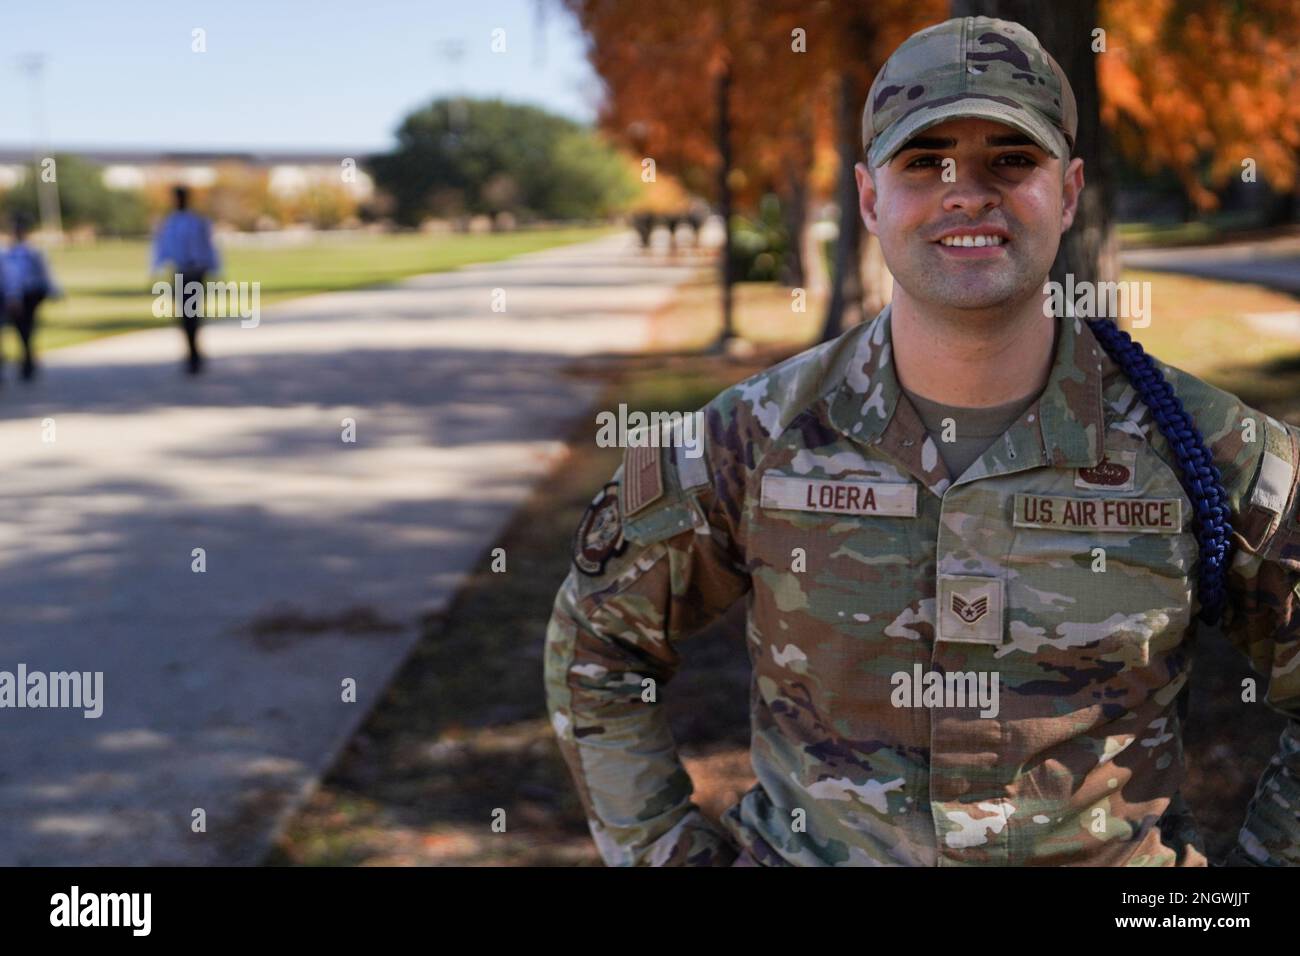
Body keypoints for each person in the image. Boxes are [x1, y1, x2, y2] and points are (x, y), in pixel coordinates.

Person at [543, 16, 1300, 867]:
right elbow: (600, 642)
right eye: (924, 161)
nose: (967, 192)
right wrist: (660, 851)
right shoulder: (750, 438)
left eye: (1012, 160)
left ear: (1071, 191)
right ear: (869, 197)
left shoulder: (1205, 448)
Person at [151, 185, 220, 374]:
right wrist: (155, 271)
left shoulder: (197, 221)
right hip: (181, 272)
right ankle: (192, 353)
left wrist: (215, 270)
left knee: (193, 313)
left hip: (197, 272)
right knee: (185, 315)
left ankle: (194, 353)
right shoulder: (169, 223)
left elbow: (210, 247)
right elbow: (161, 248)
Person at [2, 213, 59, 383]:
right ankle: (26, 360)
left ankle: (28, 361)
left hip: (31, 294)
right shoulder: (8, 253)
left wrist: (53, 291)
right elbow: (9, 278)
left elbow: (44, 273)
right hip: (13, 295)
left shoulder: (32, 252)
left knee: (27, 328)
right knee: (20, 328)